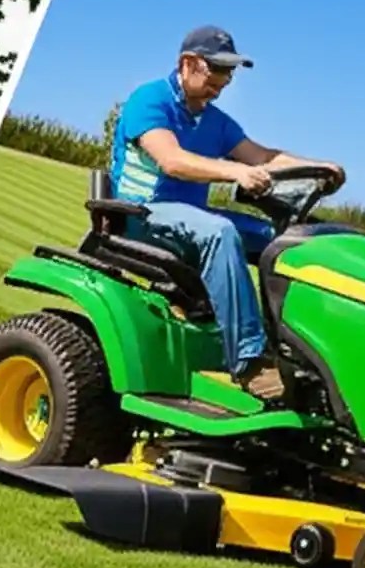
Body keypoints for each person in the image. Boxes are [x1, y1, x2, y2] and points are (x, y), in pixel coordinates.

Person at [110, 25, 345, 399]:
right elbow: (171, 161)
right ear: (188, 64)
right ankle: (249, 361)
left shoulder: (215, 120)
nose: (223, 81)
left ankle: (300, 348)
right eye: (217, 69)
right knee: (220, 233)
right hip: (142, 216)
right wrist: (234, 171)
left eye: (229, 73)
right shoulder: (149, 100)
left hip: (188, 218)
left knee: (287, 241)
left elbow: (263, 157)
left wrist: (319, 168)